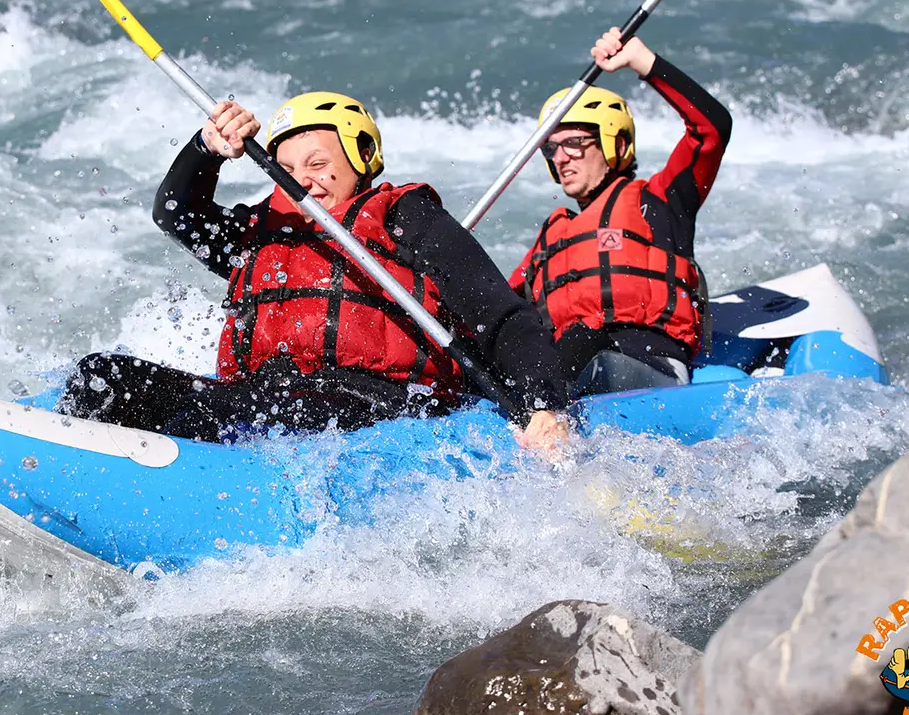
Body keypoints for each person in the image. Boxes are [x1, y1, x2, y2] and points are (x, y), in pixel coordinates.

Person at [58, 91, 571, 451]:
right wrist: (206, 149)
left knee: (246, 410)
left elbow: (498, 313)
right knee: (103, 378)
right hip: (267, 397)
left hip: (376, 403)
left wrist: (543, 405)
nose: (303, 181)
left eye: (319, 164)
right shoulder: (261, 232)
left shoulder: (405, 218)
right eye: (288, 169)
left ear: (363, 159)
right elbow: (177, 214)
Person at [510, 28, 732, 396]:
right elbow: (498, 311)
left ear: (618, 143)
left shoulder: (659, 202)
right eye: (551, 148)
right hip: (571, 374)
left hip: (652, 370)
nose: (560, 157)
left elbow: (711, 129)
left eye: (574, 143)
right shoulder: (549, 239)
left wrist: (643, 62)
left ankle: (542, 413)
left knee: (582, 340)